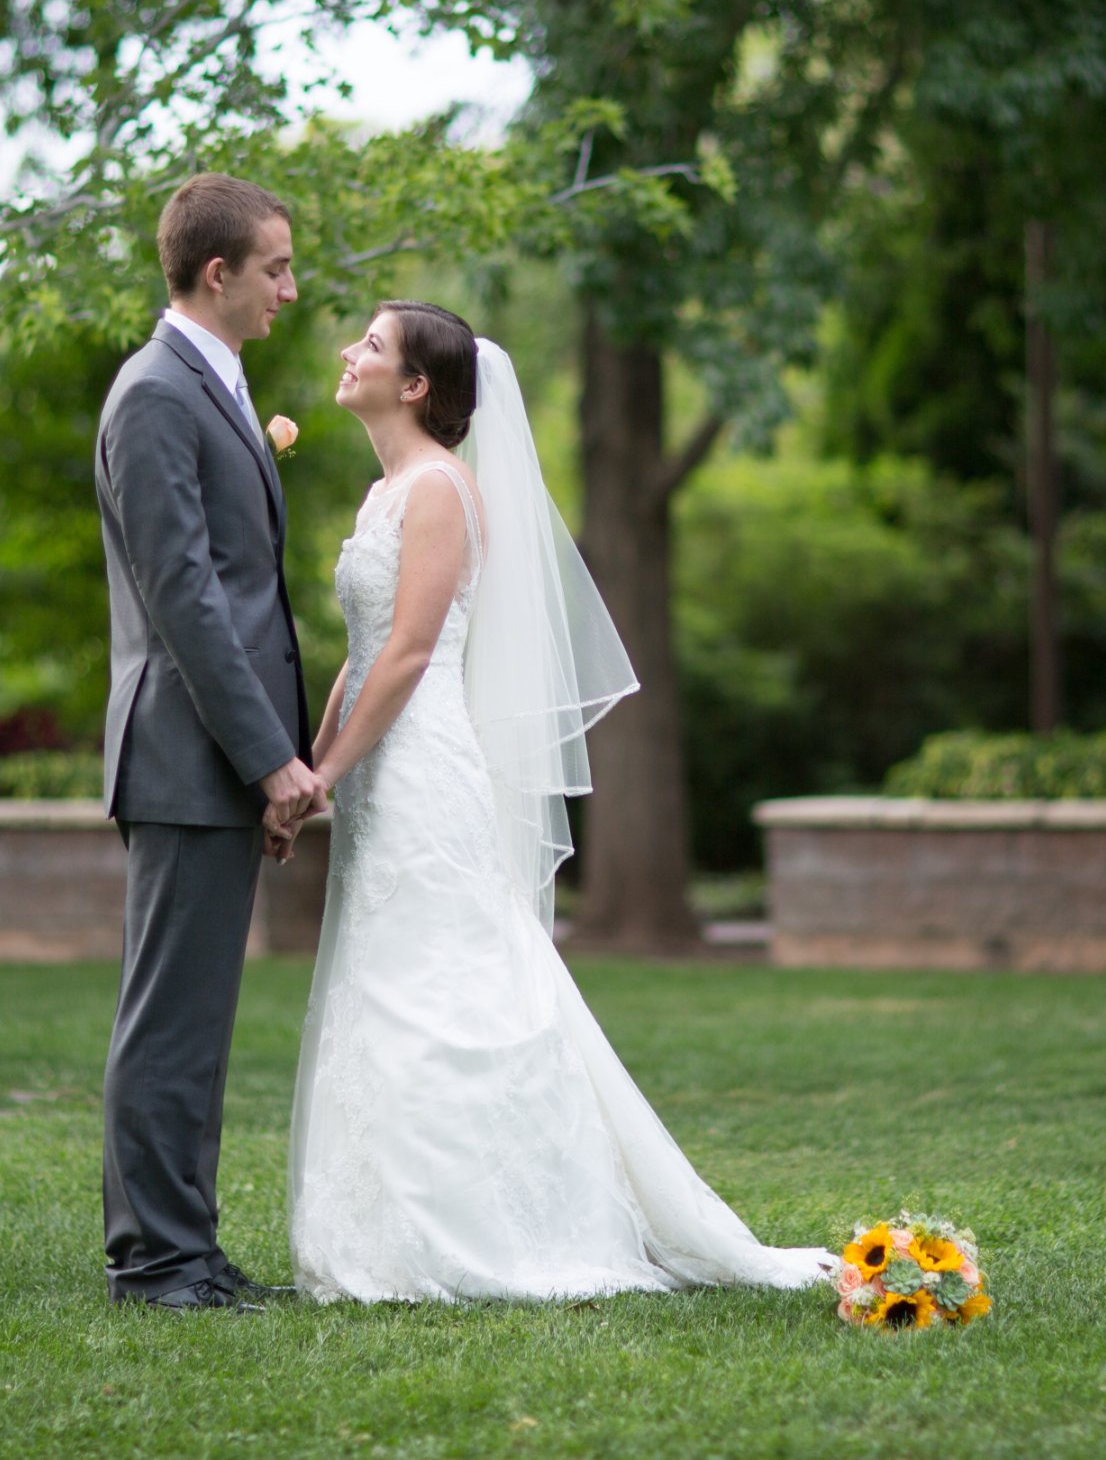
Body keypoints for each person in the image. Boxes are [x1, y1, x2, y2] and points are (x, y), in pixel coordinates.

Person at [284, 298, 835, 1302]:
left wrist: (330, 769)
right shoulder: (384, 491)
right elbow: (363, 656)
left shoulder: (443, 490)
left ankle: (488, 1227)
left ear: (415, 385)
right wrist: (308, 766)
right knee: (386, 977)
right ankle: (387, 1225)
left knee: (448, 984)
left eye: (369, 343)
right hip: (374, 762)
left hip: (423, 763)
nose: (345, 351)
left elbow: (410, 653)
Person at [94, 173, 321, 1312]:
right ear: (218, 273)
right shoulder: (153, 393)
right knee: (171, 1020)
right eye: (276, 267)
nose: (293, 286)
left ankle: (193, 1246)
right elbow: (184, 599)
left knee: (201, 1021)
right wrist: (269, 757)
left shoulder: (214, 385)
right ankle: (156, 1260)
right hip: (185, 757)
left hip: (215, 760)